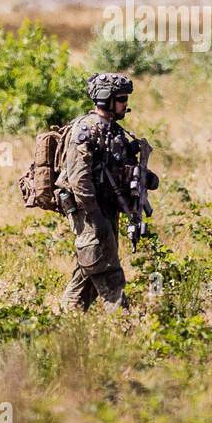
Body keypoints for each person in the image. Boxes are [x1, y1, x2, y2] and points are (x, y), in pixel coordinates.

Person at [56, 72, 159, 311]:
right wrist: (96, 217)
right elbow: (79, 180)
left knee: (90, 269)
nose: (126, 103)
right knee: (108, 272)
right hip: (89, 211)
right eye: (122, 98)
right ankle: (124, 323)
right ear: (106, 99)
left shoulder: (114, 131)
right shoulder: (85, 130)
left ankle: (65, 321)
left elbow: (120, 168)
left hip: (106, 209)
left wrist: (146, 177)